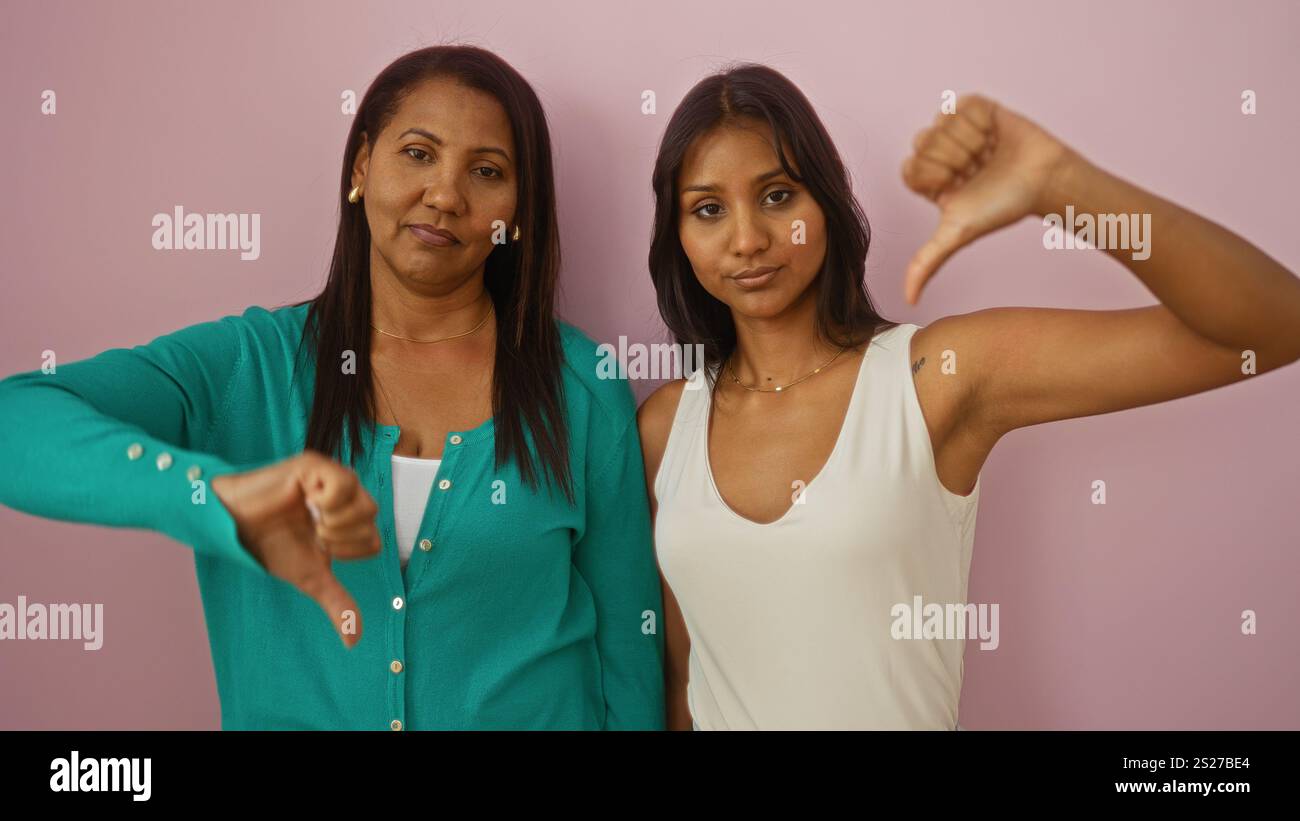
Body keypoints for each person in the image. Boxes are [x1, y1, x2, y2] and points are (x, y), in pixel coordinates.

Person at [0, 45, 665, 731]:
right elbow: (14, 418)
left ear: (518, 212)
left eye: (488, 171)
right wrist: (213, 494)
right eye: (417, 153)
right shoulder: (248, 366)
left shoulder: (583, 386)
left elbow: (629, 666)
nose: (445, 194)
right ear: (360, 167)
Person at [637, 64, 1300, 730]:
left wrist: (1061, 184)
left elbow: (1272, 327)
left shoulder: (935, 378)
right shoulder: (666, 426)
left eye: (778, 195)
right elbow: (683, 683)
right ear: (680, 236)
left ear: (827, 205)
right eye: (709, 209)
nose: (748, 239)